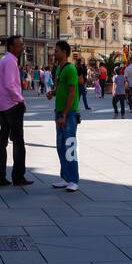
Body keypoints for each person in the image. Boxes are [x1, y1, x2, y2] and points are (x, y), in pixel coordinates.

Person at [0, 36, 31, 187]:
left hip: (3, 105)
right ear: (11, 47)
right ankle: (18, 176)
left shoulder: (5, 60)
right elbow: (9, 85)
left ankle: (0, 176)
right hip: (12, 106)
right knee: (18, 141)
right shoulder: (10, 61)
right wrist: (20, 99)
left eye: (22, 44)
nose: (21, 47)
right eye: (19, 45)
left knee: (2, 141)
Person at [48, 40, 80, 191]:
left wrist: (65, 114)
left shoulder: (70, 69)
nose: (54, 53)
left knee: (69, 145)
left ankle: (73, 179)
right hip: (59, 111)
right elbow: (60, 88)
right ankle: (65, 177)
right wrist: (52, 93)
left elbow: (72, 92)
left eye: (57, 51)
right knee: (60, 145)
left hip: (68, 113)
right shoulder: (59, 69)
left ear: (64, 52)